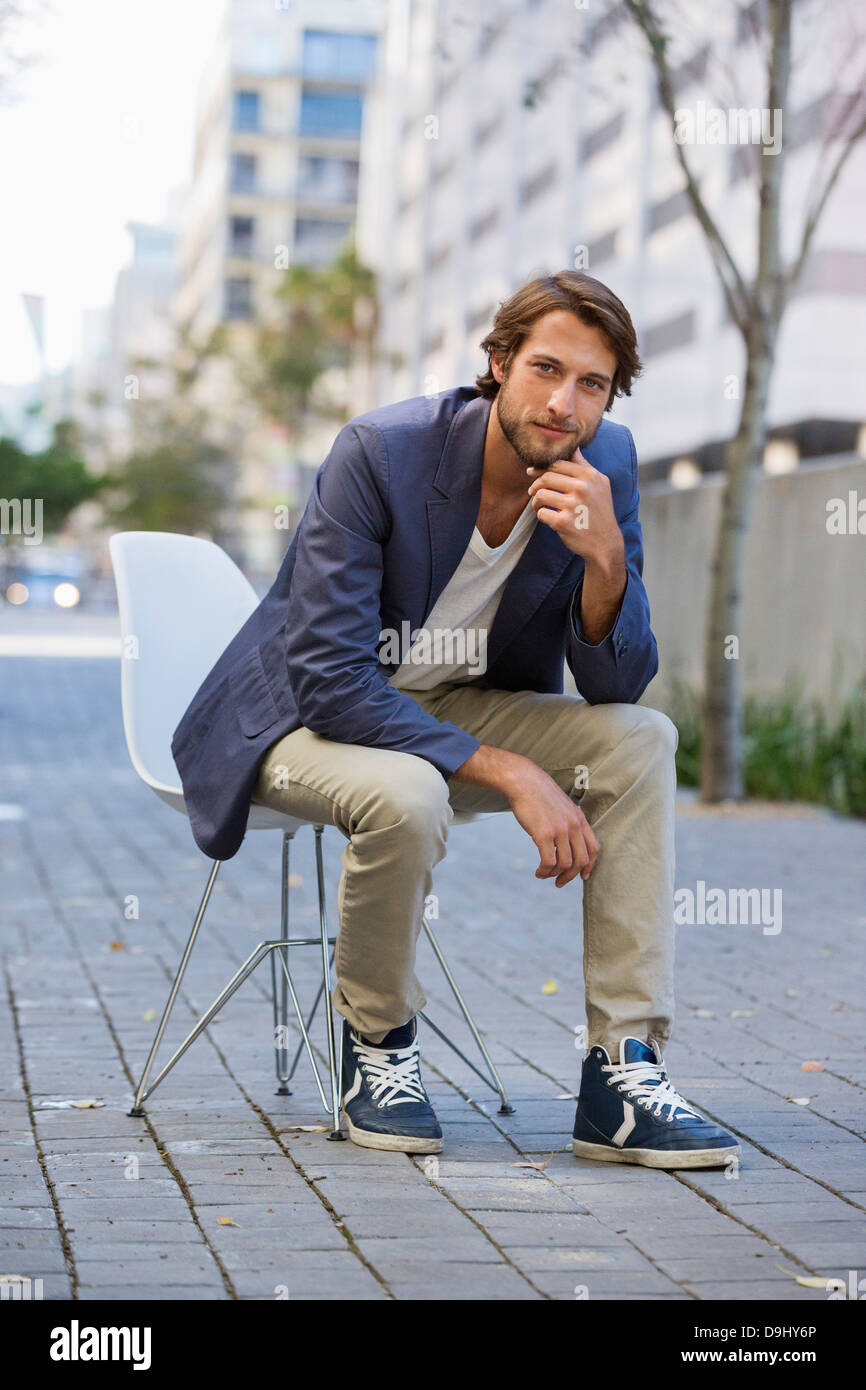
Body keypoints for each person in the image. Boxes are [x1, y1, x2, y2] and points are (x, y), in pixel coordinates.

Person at [171, 270, 740, 1169]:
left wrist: (604, 565)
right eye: (546, 369)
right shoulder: (382, 453)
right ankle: (379, 1046)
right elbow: (327, 678)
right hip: (302, 717)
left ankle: (621, 1074)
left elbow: (619, 684)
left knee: (644, 741)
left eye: (591, 384)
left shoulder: (608, 468)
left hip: (459, 700)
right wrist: (512, 771)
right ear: (499, 362)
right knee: (406, 792)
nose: (564, 404)